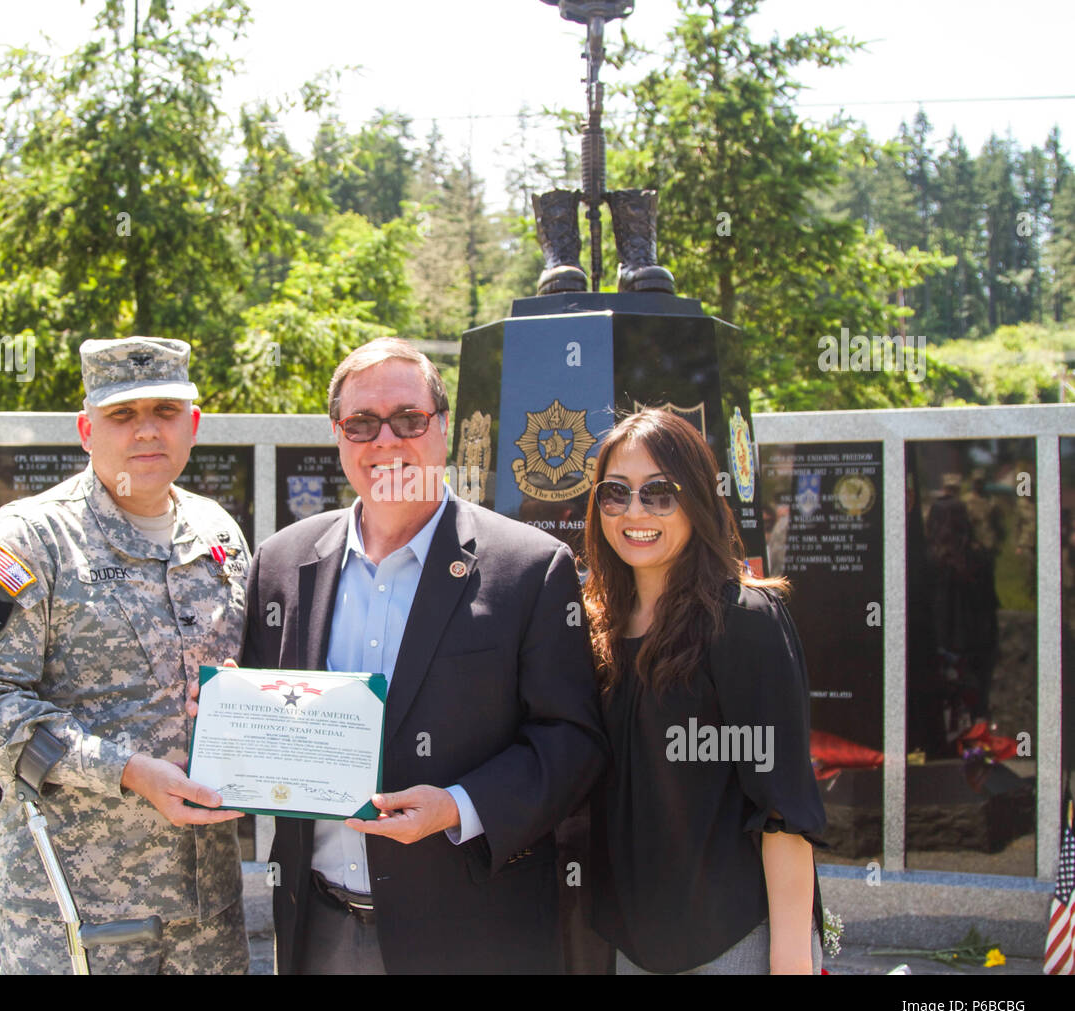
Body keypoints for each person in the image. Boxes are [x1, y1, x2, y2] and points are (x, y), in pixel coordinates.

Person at [240, 337, 605, 974]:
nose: (386, 441)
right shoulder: (280, 563)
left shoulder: (528, 568)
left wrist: (459, 806)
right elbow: (264, 730)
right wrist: (227, 720)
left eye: (409, 419)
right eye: (361, 423)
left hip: (472, 936)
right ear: (337, 434)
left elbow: (571, 741)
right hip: (318, 929)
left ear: (442, 428)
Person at [0, 337, 250, 975]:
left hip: (208, 909)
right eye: (122, 415)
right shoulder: (29, 539)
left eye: (164, 411)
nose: (145, 431)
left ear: (193, 426)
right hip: (77, 911)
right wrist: (127, 770)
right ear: (86, 429)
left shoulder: (219, 533)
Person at [584, 408, 825, 975]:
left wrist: (790, 958)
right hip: (631, 942)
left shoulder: (743, 620)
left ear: (696, 498)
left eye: (660, 494)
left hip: (732, 941)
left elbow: (783, 808)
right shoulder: (595, 623)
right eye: (615, 493)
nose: (635, 511)